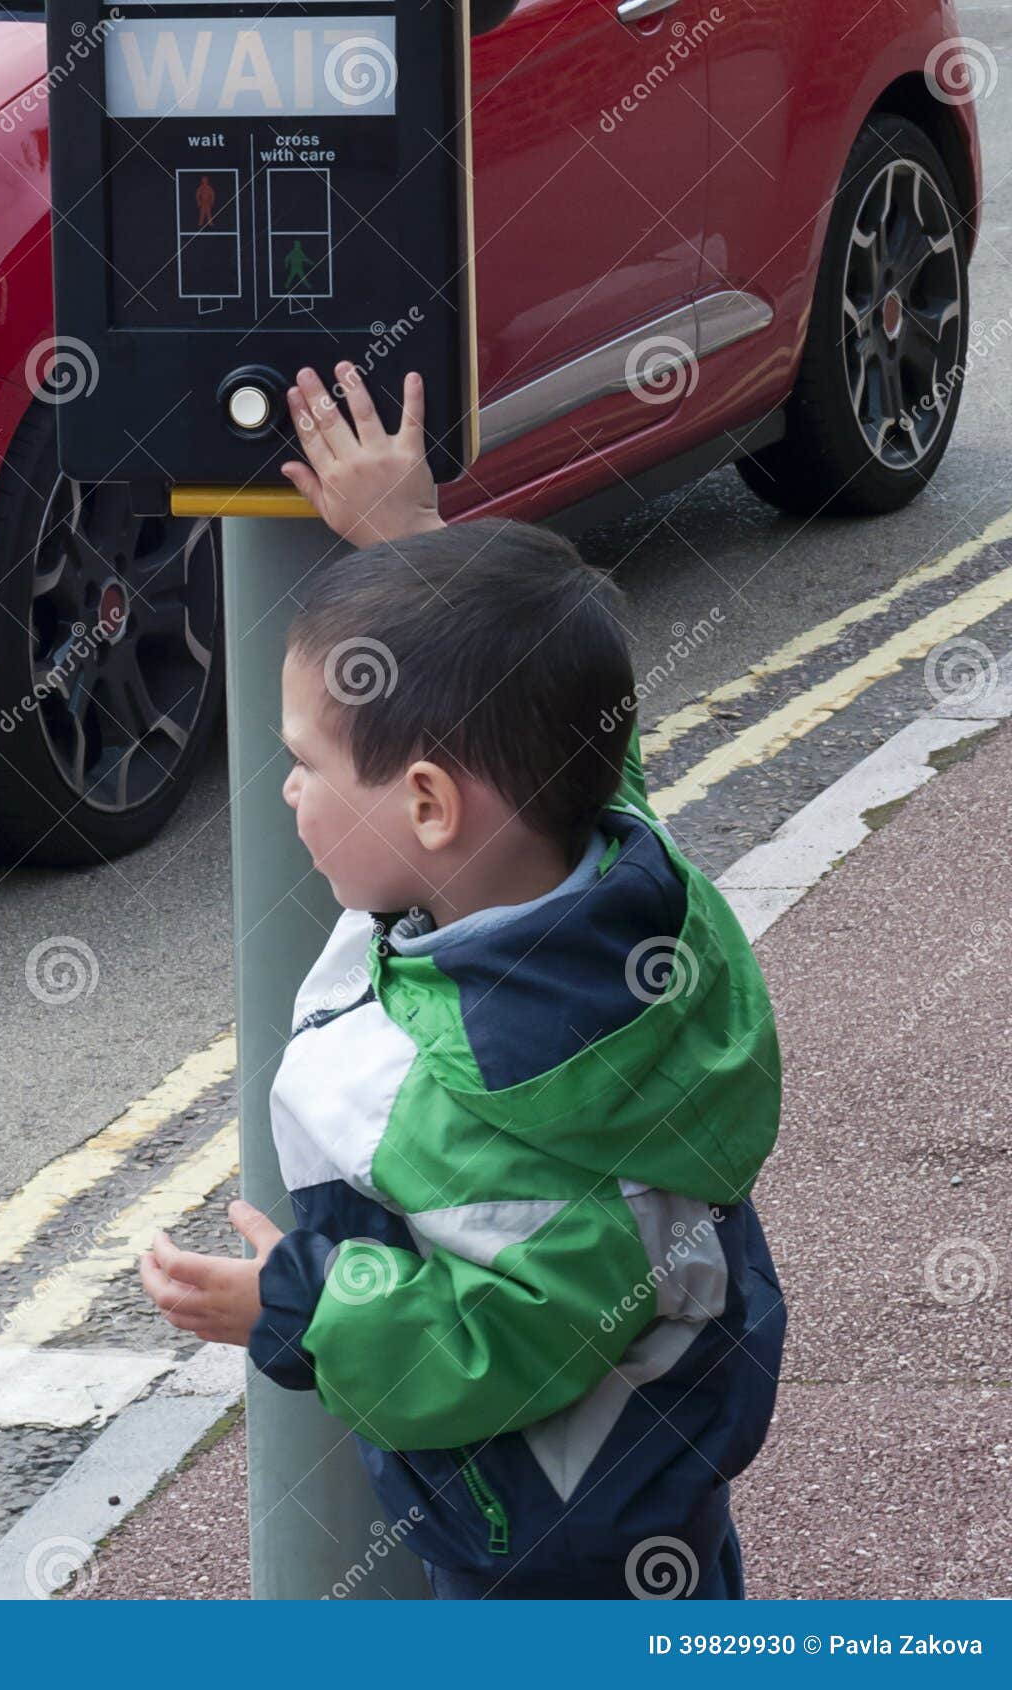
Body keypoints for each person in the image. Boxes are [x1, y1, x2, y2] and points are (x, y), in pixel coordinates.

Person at [138, 362, 787, 1600]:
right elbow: (570, 727)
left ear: (428, 804)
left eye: (306, 765)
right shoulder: (619, 871)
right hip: (644, 1475)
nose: (285, 792)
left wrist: (295, 1310)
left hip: (547, 1524)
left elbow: (507, 1330)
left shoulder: (504, 1089)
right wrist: (410, 537)